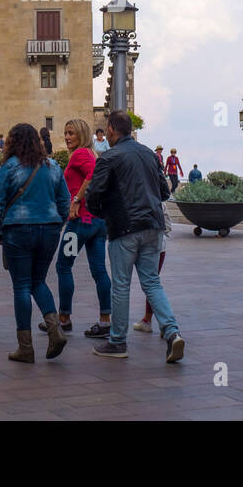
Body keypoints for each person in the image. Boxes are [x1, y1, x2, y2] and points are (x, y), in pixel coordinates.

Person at [85, 109, 185, 363]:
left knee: (121, 284)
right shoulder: (150, 154)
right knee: (151, 281)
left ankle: (118, 341)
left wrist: (103, 213)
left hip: (123, 227)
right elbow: (164, 190)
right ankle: (172, 332)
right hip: (153, 225)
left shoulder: (109, 157)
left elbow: (94, 196)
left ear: (110, 130)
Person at [0, 123, 70, 363]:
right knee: (38, 281)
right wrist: (57, 223)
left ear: (12, 142)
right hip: (49, 229)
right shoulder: (53, 166)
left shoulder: (9, 167)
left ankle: (25, 348)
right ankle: (55, 330)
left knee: (22, 286)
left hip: (18, 230)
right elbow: (64, 201)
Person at [47, 118, 112, 338]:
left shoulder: (80, 154)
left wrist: (76, 200)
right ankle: (105, 321)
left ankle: (63, 319)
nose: (66, 137)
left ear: (81, 135)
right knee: (99, 270)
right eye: (65, 133)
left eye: (71, 133)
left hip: (80, 223)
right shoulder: (91, 153)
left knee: (64, 266)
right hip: (97, 224)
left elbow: (93, 175)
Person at [133, 191, 173, 335]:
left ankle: (148, 321)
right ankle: (166, 325)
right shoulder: (158, 199)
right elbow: (168, 224)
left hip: (138, 244)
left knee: (147, 285)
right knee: (153, 284)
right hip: (160, 245)